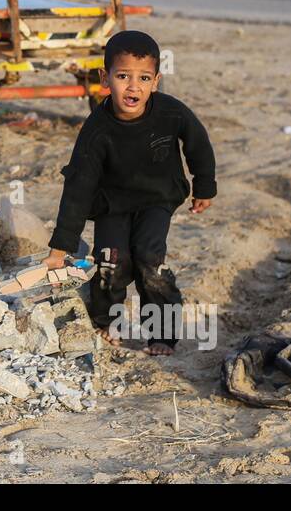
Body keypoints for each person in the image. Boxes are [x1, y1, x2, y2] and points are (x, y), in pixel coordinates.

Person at [44, 30, 217, 356]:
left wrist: (204, 187)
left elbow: (198, 145)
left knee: (149, 259)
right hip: (113, 204)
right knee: (111, 262)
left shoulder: (171, 113)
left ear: (156, 81)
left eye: (143, 78)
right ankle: (106, 321)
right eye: (123, 76)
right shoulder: (96, 130)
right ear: (105, 78)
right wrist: (60, 246)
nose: (133, 86)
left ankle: (162, 334)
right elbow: (78, 187)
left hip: (157, 199)